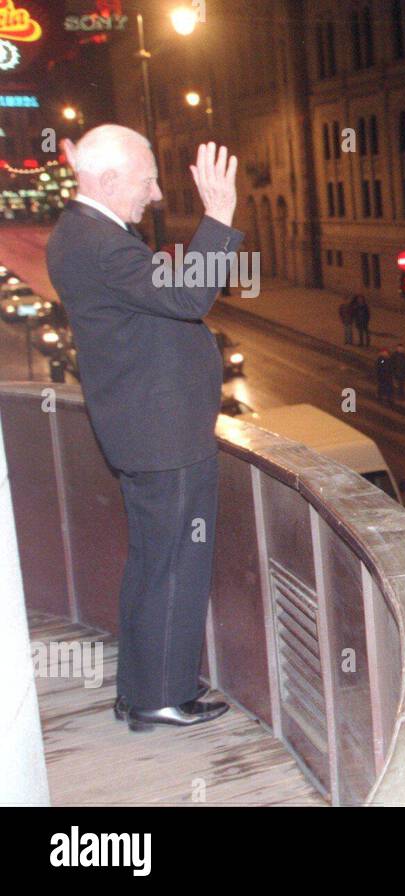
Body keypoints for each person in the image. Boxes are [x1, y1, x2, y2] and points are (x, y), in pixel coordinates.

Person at [46, 129, 238, 730]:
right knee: (177, 564)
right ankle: (161, 695)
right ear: (106, 183)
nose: (156, 194)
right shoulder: (102, 244)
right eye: (147, 179)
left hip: (145, 432)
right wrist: (220, 214)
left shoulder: (80, 233)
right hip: (164, 437)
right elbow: (186, 296)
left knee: (155, 563)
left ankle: (142, 687)